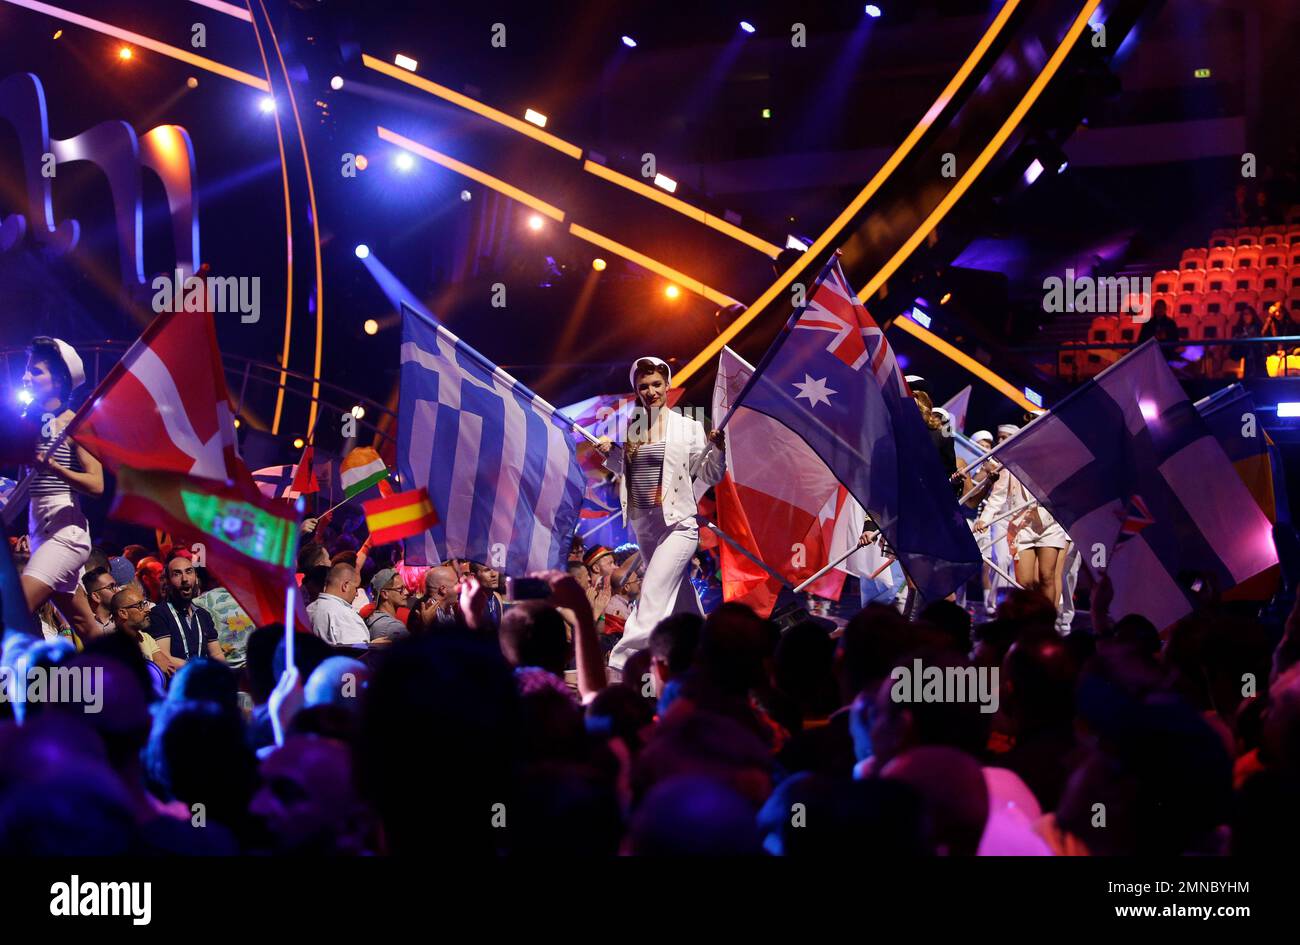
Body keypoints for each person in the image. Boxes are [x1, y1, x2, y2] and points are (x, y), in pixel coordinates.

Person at [595, 357, 725, 672]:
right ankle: (704, 650)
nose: (651, 391)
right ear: (636, 390)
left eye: (656, 384)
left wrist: (718, 450)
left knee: (652, 592)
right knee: (680, 596)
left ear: (667, 384)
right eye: (643, 386)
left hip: (678, 525)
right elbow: (632, 474)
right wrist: (610, 455)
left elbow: (709, 473)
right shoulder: (634, 427)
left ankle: (621, 665)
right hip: (645, 525)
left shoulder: (688, 426)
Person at [18, 337, 103, 643]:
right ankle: (132, 680)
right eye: (28, 370)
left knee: (15, 609)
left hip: (66, 536)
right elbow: (27, 484)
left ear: (59, 379)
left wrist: (55, 468)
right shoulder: (27, 423)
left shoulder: (76, 425)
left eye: (36, 371)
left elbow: (97, 483)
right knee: (88, 629)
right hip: (41, 533)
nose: (26, 377)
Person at [974, 425, 1066, 604]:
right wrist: (984, 519)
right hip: (1022, 528)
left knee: (1047, 576)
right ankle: (1025, 622)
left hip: (1049, 526)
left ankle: (1048, 622)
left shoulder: (1054, 465)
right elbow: (998, 496)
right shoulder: (1010, 464)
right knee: (1024, 583)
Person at [150, 551, 225, 665]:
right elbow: (164, 657)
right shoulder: (159, 614)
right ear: (168, 582)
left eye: (189, 572)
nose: (184, 579)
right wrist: (199, 671)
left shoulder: (203, 615)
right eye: (177, 574)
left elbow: (216, 654)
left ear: (196, 577)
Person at [109, 586, 181, 677]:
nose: (148, 610)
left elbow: (167, 666)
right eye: (140, 606)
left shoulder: (145, 637)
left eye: (145, 604)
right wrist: (153, 668)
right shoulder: (109, 646)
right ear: (123, 613)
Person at [307, 564, 370, 646]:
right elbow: (357, 653)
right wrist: (373, 647)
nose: (357, 594)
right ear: (345, 586)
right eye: (356, 588)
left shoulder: (308, 610)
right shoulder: (345, 615)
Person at [365, 567, 410, 643]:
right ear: (385, 594)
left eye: (405, 588)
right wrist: (425, 625)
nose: (406, 592)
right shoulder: (394, 627)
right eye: (400, 589)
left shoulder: (371, 619)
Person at [81, 567, 119, 634]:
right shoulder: (83, 625)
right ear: (96, 596)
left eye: (116, 586)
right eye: (111, 587)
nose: (118, 591)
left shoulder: (123, 619)